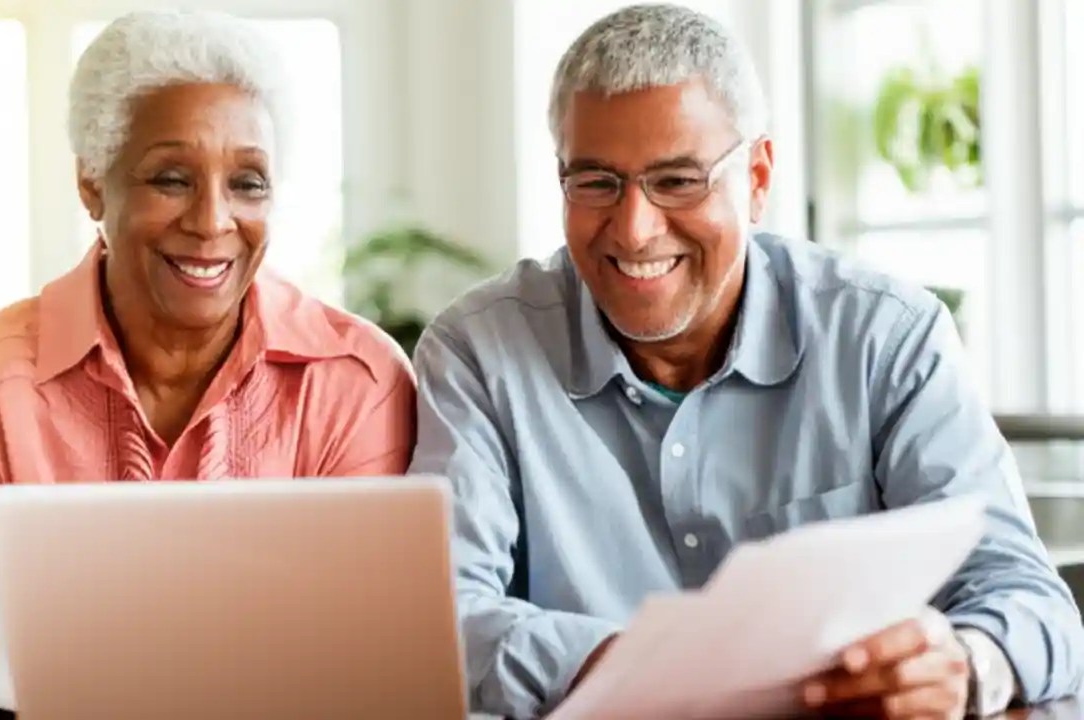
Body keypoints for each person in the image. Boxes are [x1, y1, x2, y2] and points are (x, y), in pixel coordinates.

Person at [408, 4, 1083, 719]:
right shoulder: (478, 353)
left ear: (757, 178)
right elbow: (441, 619)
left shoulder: (886, 336)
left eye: (678, 181)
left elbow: (1029, 598)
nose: (635, 229)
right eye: (596, 181)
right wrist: (643, 670)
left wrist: (968, 661)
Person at [0, 11, 415, 719]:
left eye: (248, 183)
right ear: (93, 184)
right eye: (171, 178)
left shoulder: (356, 381)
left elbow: (368, 663)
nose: (213, 220)